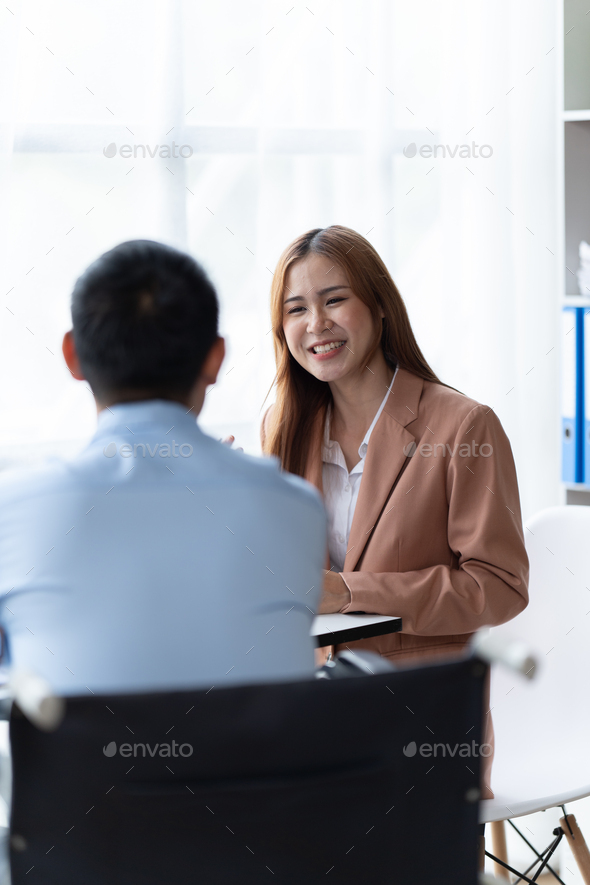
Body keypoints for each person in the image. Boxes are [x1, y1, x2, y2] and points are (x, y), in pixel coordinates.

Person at [261, 225, 530, 798]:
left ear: (380, 306)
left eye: (335, 300)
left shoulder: (463, 427)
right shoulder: (283, 431)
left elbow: (499, 587)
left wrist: (349, 592)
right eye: (296, 309)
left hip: (420, 726)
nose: (316, 324)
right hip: (304, 719)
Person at [0, 240, 326, 696]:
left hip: (89, 747)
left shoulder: (14, 511)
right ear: (216, 358)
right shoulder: (296, 507)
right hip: (262, 746)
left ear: (72, 356)